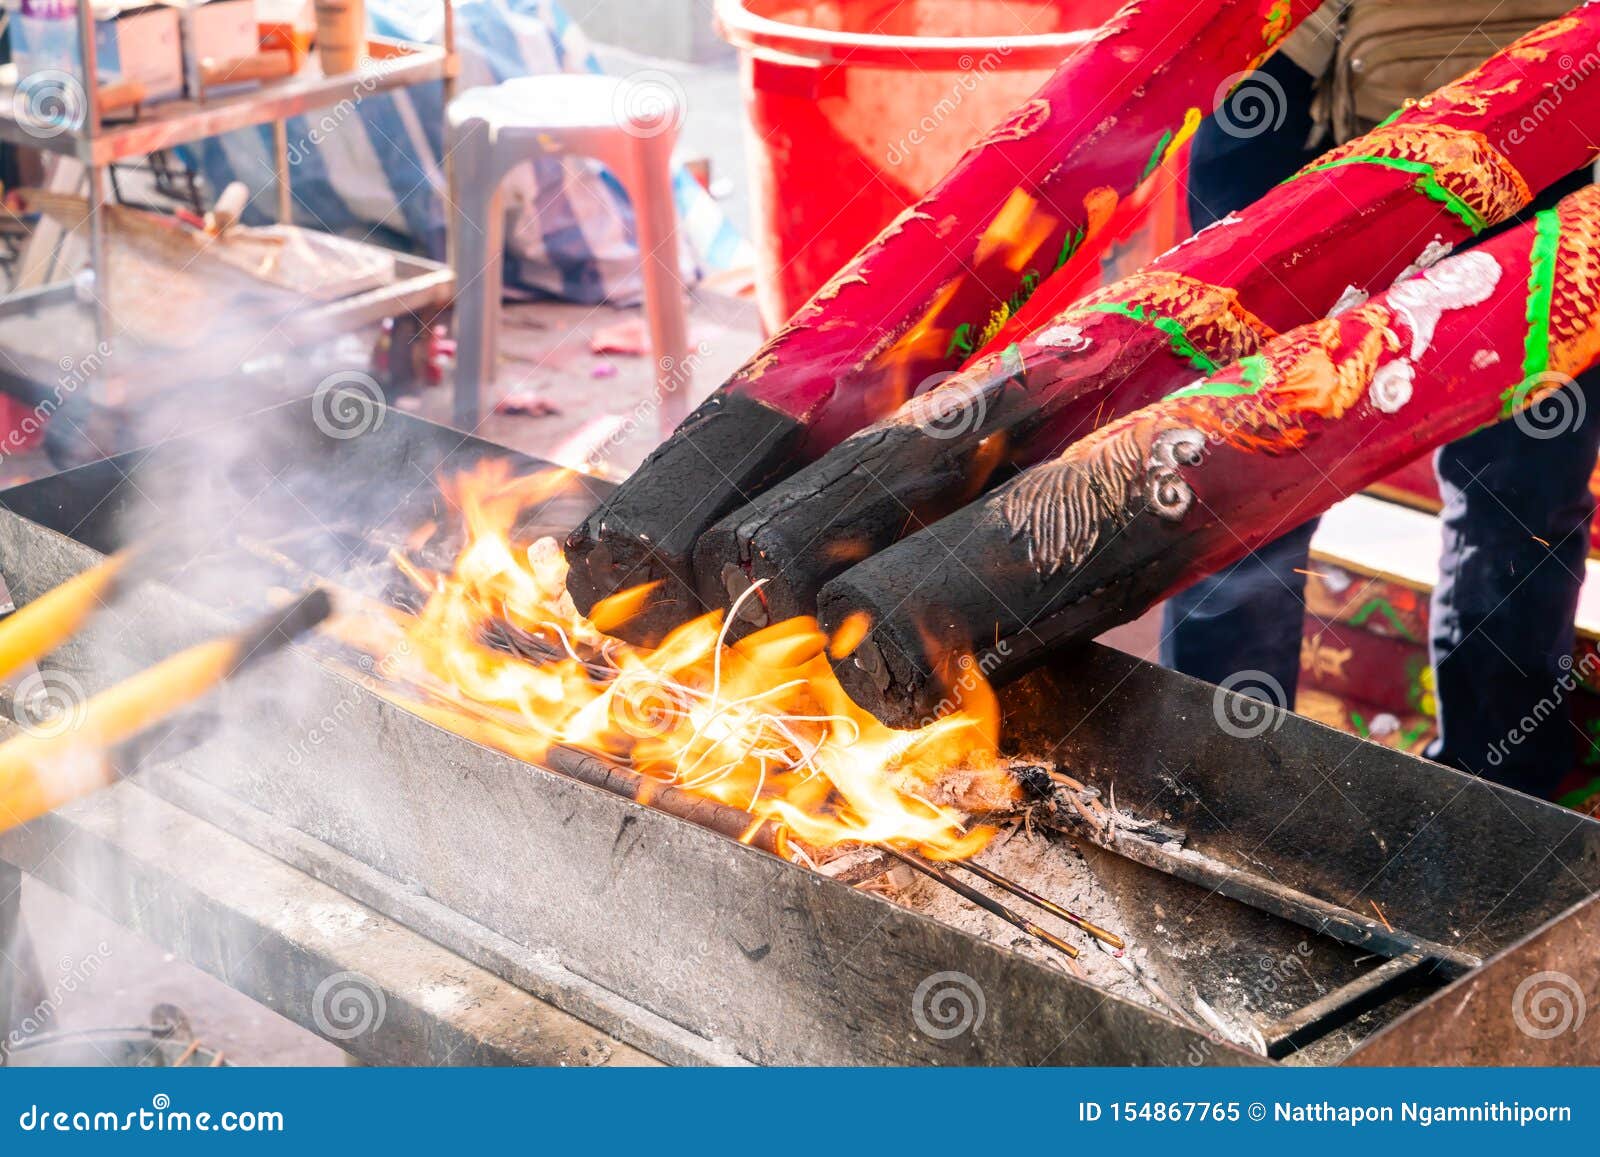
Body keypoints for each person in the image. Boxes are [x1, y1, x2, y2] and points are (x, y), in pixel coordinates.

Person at [1161, 1, 1599, 800]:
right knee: (1242, 469)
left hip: (1536, 94)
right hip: (1281, 92)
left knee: (1521, 495)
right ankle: (1214, 793)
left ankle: (1494, 810)